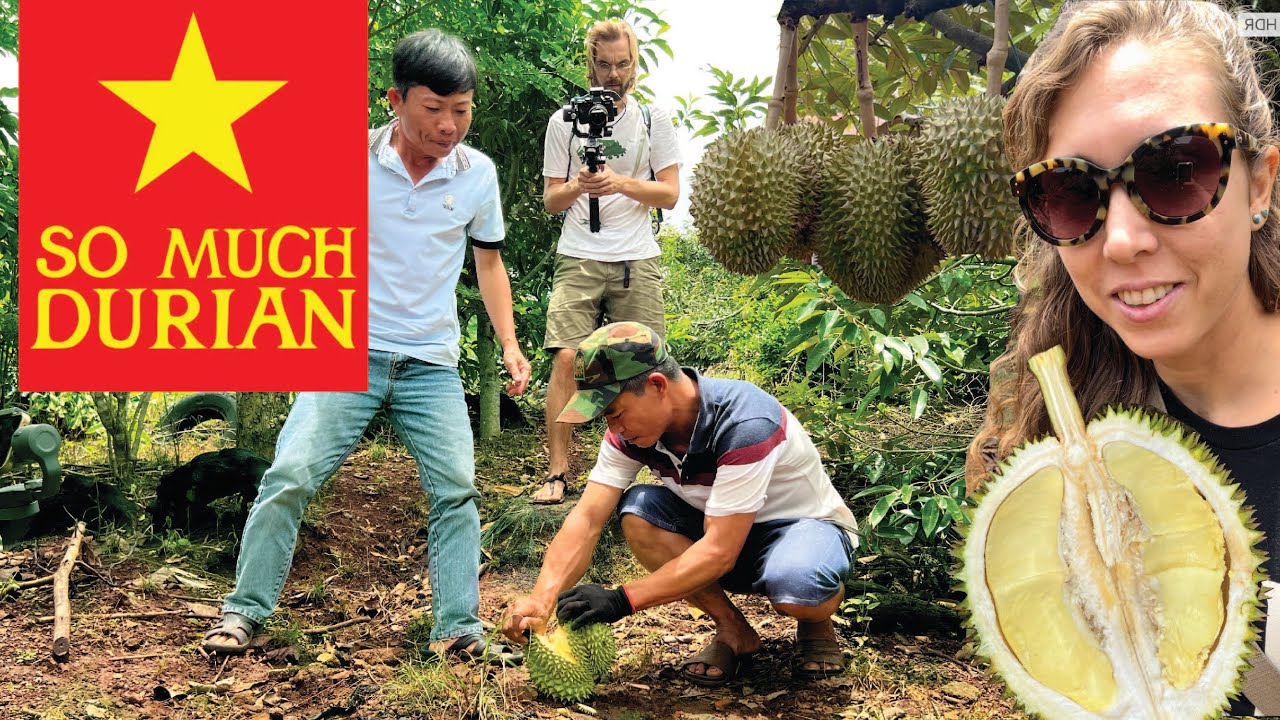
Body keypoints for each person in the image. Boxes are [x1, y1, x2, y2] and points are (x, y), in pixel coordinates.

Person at [964, 1, 1280, 715]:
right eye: (1071, 195)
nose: (1122, 240)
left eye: (1175, 171)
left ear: (1259, 183)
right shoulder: (1056, 432)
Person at [202, 29, 532, 663]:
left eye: (461, 110)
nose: (449, 125)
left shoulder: (478, 175)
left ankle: (458, 629)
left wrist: (510, 344)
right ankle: (243, 613)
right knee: (291, 472)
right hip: (347, 353)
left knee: (457, 487)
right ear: (395, 100)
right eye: (433, 109)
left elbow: (488, 264)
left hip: (432, 361)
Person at [503, 322, 858, 685]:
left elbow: (720, 551)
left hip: (800, 530)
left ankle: (815, 624)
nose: (613, 428)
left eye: (616, 412)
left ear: (657, 385)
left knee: (798, 586)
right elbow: (587, 519)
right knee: (640, 510)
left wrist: (621, 600)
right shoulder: (628, 436)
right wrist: (542, 600)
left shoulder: (744, 422)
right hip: (718, 532)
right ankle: (734, 631)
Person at [533, 19, 682, 504]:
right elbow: (552, 199)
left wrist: (618, 183)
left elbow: (670, 194)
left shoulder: (653, 119)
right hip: (579, 253)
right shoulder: (564, 122)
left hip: (636, 256)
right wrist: (580, 185)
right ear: (590, 63)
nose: (613, 74)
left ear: (634, 63)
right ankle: (558, 472)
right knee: (568, 357)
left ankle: (648, 471)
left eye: (622, 64)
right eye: (604, 64)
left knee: (643, 366)